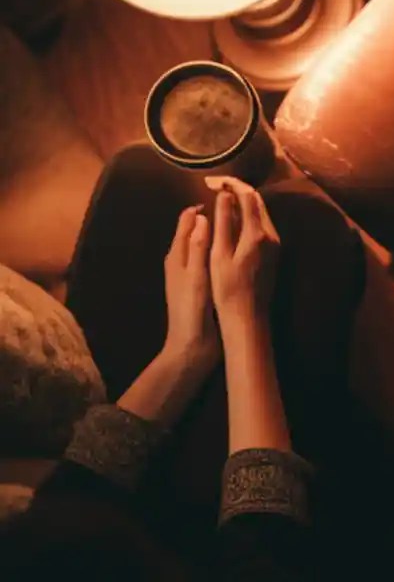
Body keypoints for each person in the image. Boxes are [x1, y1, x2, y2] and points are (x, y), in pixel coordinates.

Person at [2, 178, 316, 580]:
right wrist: (245, 320)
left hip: (108, 523)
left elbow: (73, 497)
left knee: (139, 179)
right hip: (218, 546)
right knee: (306, 230)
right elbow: (267, 554)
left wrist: (185, 350)